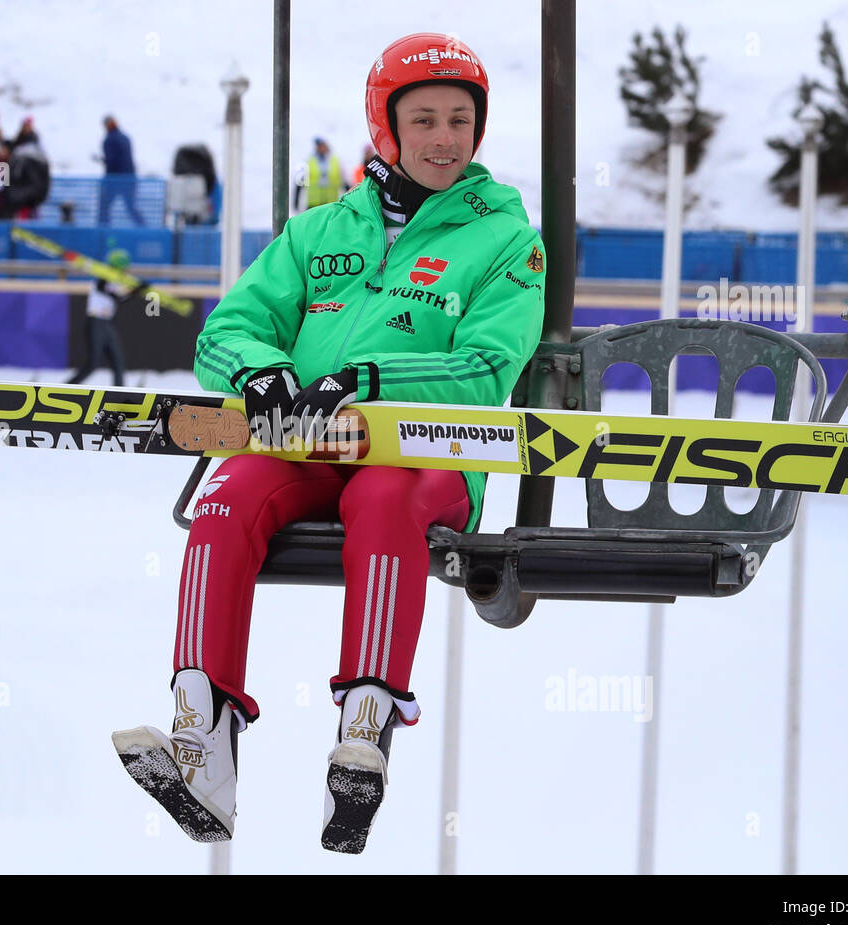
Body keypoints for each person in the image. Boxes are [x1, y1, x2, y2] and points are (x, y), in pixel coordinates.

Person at [112, 32, 547, 853]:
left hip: (425, 452)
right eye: (424, 119)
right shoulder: (318, 231)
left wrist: (371, 379)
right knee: (229, 492)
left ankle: (364, 735)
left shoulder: (504, 239)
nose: (446, 138)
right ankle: (202, 741)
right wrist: (262, 373)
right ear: (386, 128)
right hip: (303, 443)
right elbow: (228, 331)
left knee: (383, 498)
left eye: (461, 120)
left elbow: (488, 368)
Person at [68, 249, 136, 386]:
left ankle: (120, 395)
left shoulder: (114, 281)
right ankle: (67, 388)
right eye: (124, 267)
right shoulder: (103, 277)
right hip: (96, 323)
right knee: (93, 364)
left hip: (107, 324)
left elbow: (120, 299)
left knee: (118, 362)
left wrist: (135, 291)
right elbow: (104, 288)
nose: (127, 270)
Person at [99, 115, 144, 226]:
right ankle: (143, 228)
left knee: (104, 207)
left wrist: (105, 163)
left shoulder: (109, 140)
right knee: (130, 207)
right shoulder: (125, 138)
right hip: (129, 179)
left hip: (114, 180)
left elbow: (112, 161)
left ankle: (103, 232)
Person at [293, 136, 348, 211]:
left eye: (322, 146)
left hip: (331, 203)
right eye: (319, 146)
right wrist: (296, 202)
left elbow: (343, 181)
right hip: (313, 204)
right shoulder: (309, 161)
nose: (321, 148)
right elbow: (300, 184)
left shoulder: (335, 161)